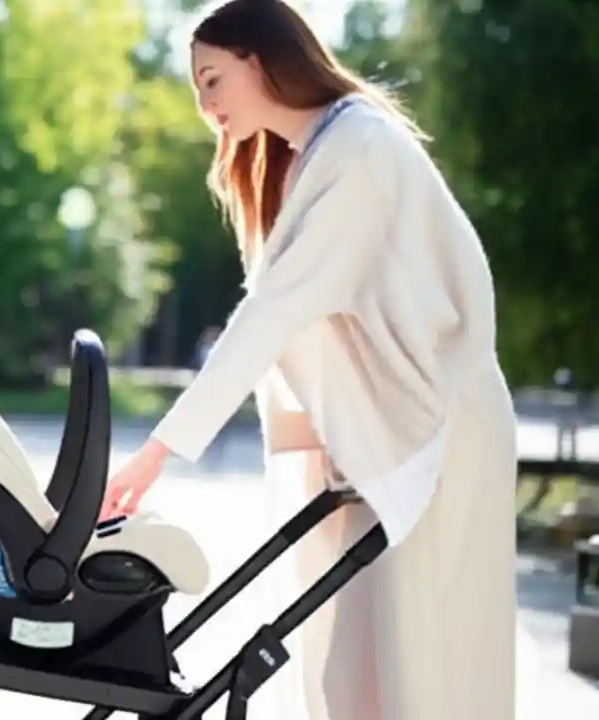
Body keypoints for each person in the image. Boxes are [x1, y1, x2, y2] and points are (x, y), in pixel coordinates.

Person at [98, 1, 518, 719]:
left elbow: (275, 310)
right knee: (351, 663)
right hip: (387, 439)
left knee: (422, 666)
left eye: (212, 80)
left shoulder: (359, 149)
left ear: (260, 61)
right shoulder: (313, 156)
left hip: (439, 434)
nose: (204, 106)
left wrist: (157, 452)